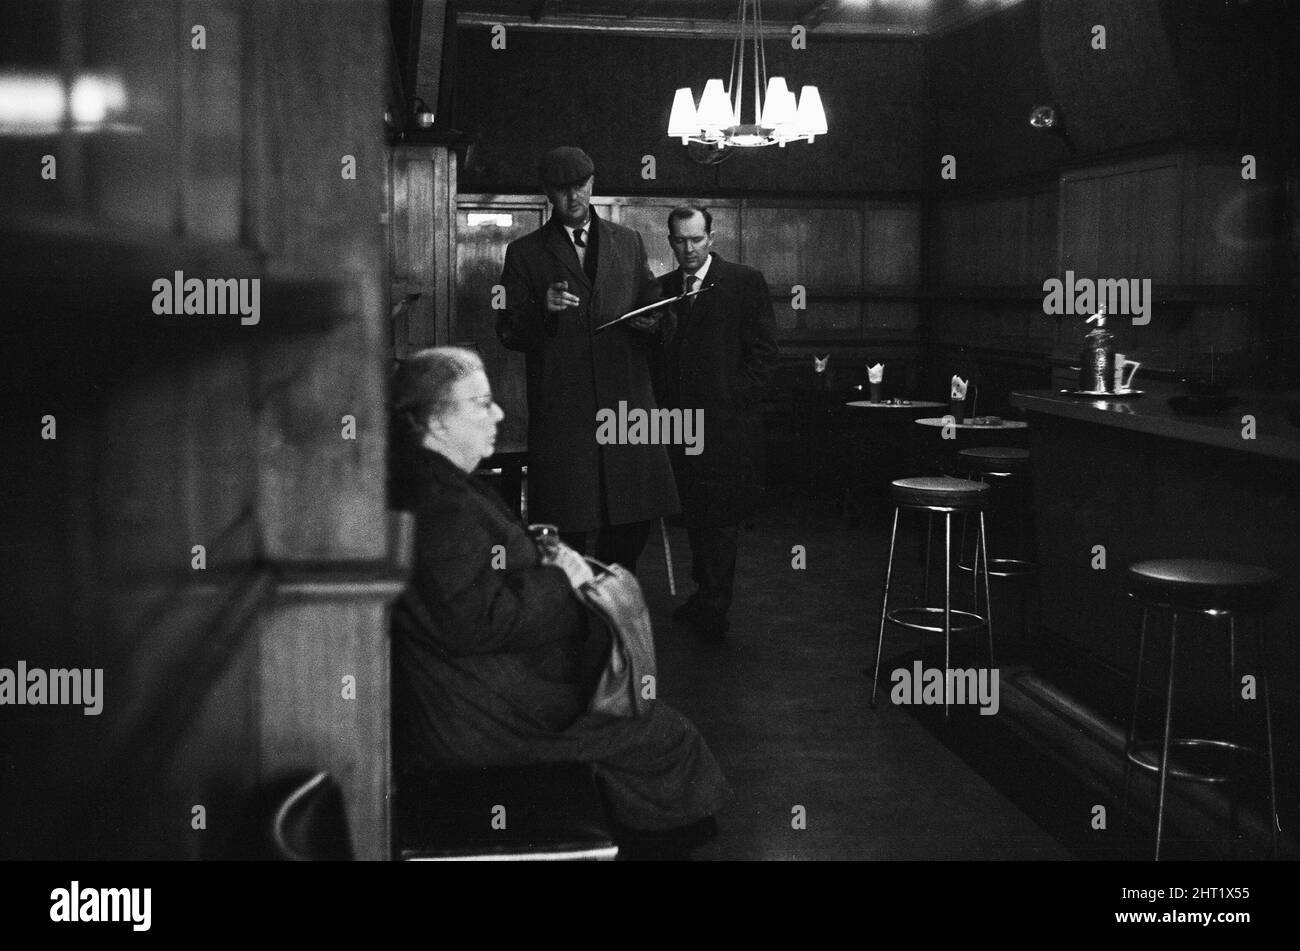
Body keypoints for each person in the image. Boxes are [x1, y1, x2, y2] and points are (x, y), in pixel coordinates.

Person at [388, 347, 731, 850]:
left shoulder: (438, 482)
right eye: (481, 403)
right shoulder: (443, 507)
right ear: (436, 422)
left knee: (651, 725)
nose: (498, 414)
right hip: (477, 715)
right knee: (664, 739)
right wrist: (563, 580)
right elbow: (472, 622)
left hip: (479, 691)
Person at [496, 146, 677, 574]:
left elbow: (651, 303)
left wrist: (655, 320)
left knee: (632, 519)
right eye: (562, 190)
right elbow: (507, 330)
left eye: (580, 186)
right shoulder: (524, 253)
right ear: (546, 193)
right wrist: (543, 310)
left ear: (593, 183)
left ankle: (611, 597)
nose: (573, 198)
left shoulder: (627, 241)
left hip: (626, 402)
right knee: (567, 524)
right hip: (565, 407)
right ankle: (575, 613)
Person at [656, 205, 779, 641]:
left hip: (727, 429)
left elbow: (764, 355)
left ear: (712, 238)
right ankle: (704, 593)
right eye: (679, 241)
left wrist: (730, 401)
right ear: (669, 240)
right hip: (680, 427)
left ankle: (714, 606)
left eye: (696, 240)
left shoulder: (744, 281)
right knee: (694, 514)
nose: (688, 249)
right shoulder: (664, 288)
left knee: (721, 519)